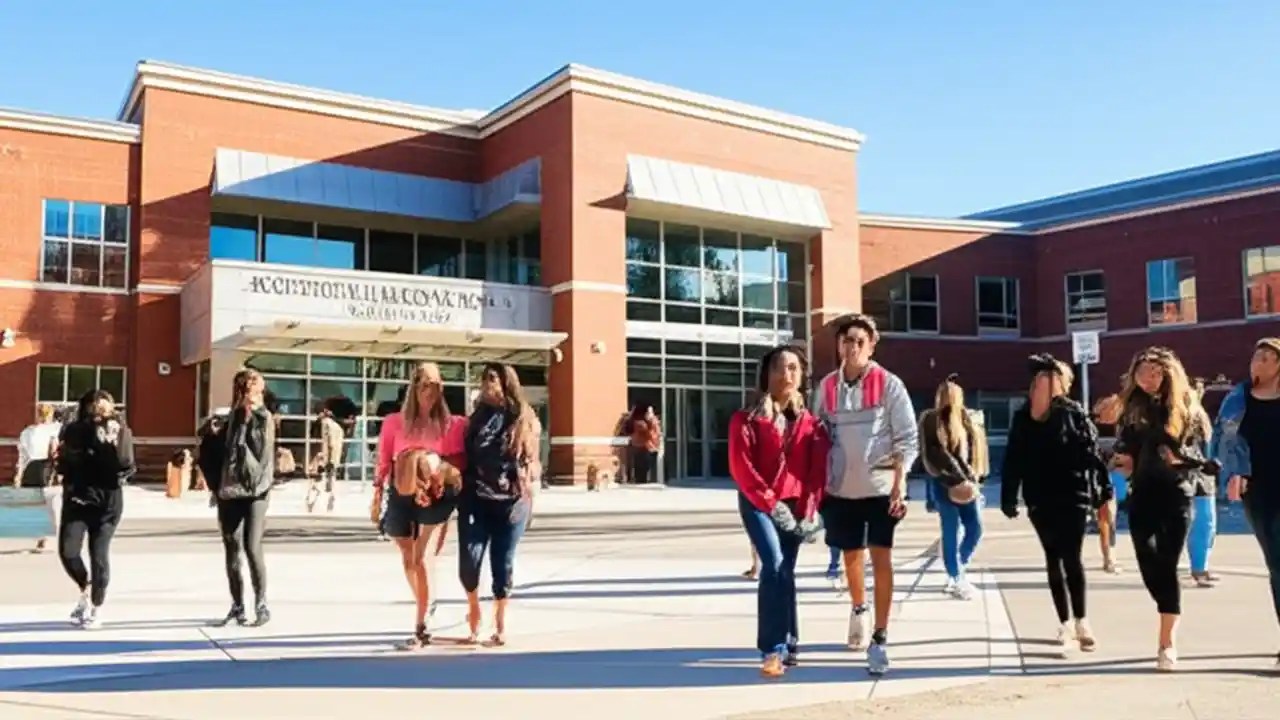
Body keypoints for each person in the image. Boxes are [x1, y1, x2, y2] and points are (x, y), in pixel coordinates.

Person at [813, 314, 917, 677]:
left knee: (881, 558)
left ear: (872, 346)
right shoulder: (826, 388)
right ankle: (859, 608)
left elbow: (907, 437)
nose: (852, 347)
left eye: (860, 340)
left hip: (880, 490)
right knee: (850, 555)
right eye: (847, 341)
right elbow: (816, 436)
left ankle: (880, 637)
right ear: (839, 346)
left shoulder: (889, 386)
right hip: (840, 489)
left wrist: (899, 482)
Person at [1105, 346, 1214, 672]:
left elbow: (1201, 456)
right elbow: (1124, 450)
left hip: (1177, 493)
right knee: (1147, 559)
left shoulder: (1187, 408)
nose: (1148, 379)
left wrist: (1180, 460)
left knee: (1166, 565)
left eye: (1155, 372)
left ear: (1168, 373)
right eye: (1141, 372)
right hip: (1143, 493)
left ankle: (1166, 642)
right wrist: (1120, 463)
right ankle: (1167, 611)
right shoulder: (1132, 409)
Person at [729, 344, 828, 678]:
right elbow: (741, 468)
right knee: (772, 563)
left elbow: (816, 472)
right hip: (757, 502)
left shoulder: (812, 425)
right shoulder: (746, 419)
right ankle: (771, 649)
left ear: (801, 376)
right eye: (778, 368)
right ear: (766, 375)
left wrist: (810, 511)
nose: (786, 374)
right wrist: (771, 504)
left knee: (786, 571)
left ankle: (790, 641)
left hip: (795, 504)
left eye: (793, 368)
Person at [1001, 353, 1108, 656]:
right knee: (1053, 556)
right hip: (1039, 496)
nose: (1042, 387)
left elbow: (1091, 453)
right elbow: (1014, 458)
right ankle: (1064, 622)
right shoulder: (1023, 417)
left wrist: (1101, 488)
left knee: (1072, 556)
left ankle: (1082, 621)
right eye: (1038, 382)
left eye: (1050, 381)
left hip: (1073, 494)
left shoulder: (1073, 414)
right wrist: (1009, 495)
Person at [375, 362, 467, 650]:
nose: (431, 390)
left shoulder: (452, 425)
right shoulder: (394, 422)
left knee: (422, 558)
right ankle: (427, 602)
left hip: (435, 493)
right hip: (401, 490)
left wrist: (437, 464)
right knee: (407, 556)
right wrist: (377, 493)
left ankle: (421, 625)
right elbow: (383, 460)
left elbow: (461, 463)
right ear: (414, 387)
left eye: (437, 384)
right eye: (425, 384)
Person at [459, 363, 542, 646]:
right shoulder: (476, 418)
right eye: (483, 379)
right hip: (476, 501)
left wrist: (532, 490)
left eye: (492, 378)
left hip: (512, 504)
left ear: (506, 383)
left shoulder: (523, 417)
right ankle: (473, 608)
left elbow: (532, 461)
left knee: (502, 563)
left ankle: (500, 623)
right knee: (469, 561)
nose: (486, 383)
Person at [1215, 337, 1280, 671]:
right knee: (1277, 565)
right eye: (1256, 356)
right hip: (1260, 492)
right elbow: (1221, 442)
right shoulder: (1237, 401)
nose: (1259, 362)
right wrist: (1231, 472)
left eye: (1268, 358)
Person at [56, 390, 135, 630]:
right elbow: (66, 460)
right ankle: (86, 586)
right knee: (68, 552)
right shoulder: (73, 430)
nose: (99, 413)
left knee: (98, 554)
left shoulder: (120, 430)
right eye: (95, 408)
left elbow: (126, 463)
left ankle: (96, 606)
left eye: (105, 409)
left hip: (107, 501)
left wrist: (112, 434)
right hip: (78, 498)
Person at [205, 369, 277, 628]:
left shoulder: (264, 417)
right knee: (231, 547)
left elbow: (260, 453)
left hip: (257, 490)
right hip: (229, 490)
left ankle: (261, 603)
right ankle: (237, 605)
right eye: (251, 389)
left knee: (251, 545)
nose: (256, 395)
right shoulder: (228, 418)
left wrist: (252, 416)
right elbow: (215, 454)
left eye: (259, 390)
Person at [919, 374, 989, 600]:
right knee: (951, 527)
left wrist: (974, 478)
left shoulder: (966, 420)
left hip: (967, 483)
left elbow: (975, 451)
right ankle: (955, 575)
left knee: (975, 528)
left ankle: (959, 563)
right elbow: (937, 454)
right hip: (944, 482)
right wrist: (961, 477)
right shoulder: (931, 420)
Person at [1187, 378, 1220, 587]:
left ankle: (1203, 566)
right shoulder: (1180, 416)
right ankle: (1198, 569)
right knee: (1198, 524)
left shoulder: (1201, 418)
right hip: (1188, 474)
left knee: (1208, 522)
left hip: (1205, 475)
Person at [17, 403, 62, 553]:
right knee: (47, 504)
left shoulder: (28, 432)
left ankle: (43, 537)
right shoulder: (53, 431)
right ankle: (45, 537)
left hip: (33, 468)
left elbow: (22, 455)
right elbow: (56, 453)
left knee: (39, 504)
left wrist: (19, 473)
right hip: (45, 468)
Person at [1091, 394, 1123, 574]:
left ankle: (1109, 556)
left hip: (1116, 473)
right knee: (1105, 515)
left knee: (1109, 515)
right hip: (1098, 473)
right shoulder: (1091, 425)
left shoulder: (1123, 426)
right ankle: (1108, 556)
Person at [308, 407, 343, 513]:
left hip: (325, 456)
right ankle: (331, 499)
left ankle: (313, 503)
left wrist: (325, 457)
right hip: (334, 456)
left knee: (317, 479)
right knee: (331, 478)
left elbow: (330, 442)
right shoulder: (337, 426)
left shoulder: (325, 424)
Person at [625, 405, 662, 484]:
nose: (648, 414)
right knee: (641, 465)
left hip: (649, 446)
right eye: (647, 412)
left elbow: (653, 434)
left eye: (649, 412)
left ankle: (649, 479)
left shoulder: (653, 422)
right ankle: (642, 479)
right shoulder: (640, 422)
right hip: (643, 446)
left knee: (647, 465)